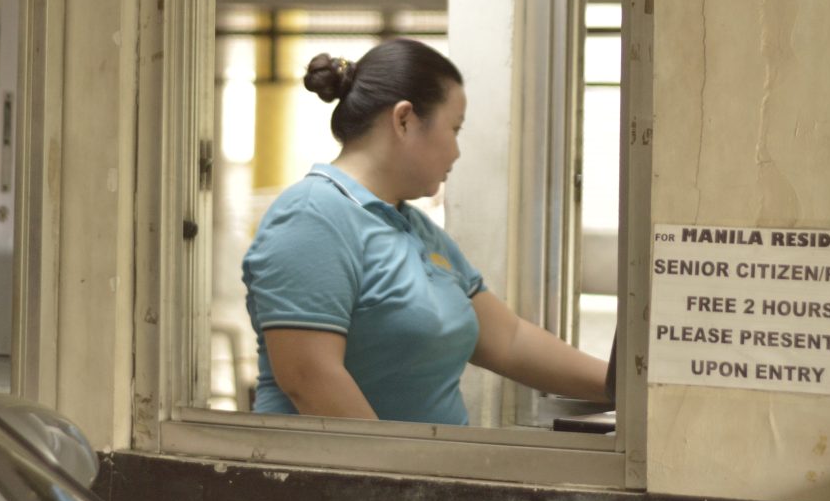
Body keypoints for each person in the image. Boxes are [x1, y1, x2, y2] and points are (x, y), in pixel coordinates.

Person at [241, 38, 610, 423]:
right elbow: (310, 378)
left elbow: (509, 340)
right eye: (454, 128)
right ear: (404, 120)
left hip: (430, 462)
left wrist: (623, 385)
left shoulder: (413, 228)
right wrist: (399, 464)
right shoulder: (312, 216)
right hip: (356, 463)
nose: (457, 152)